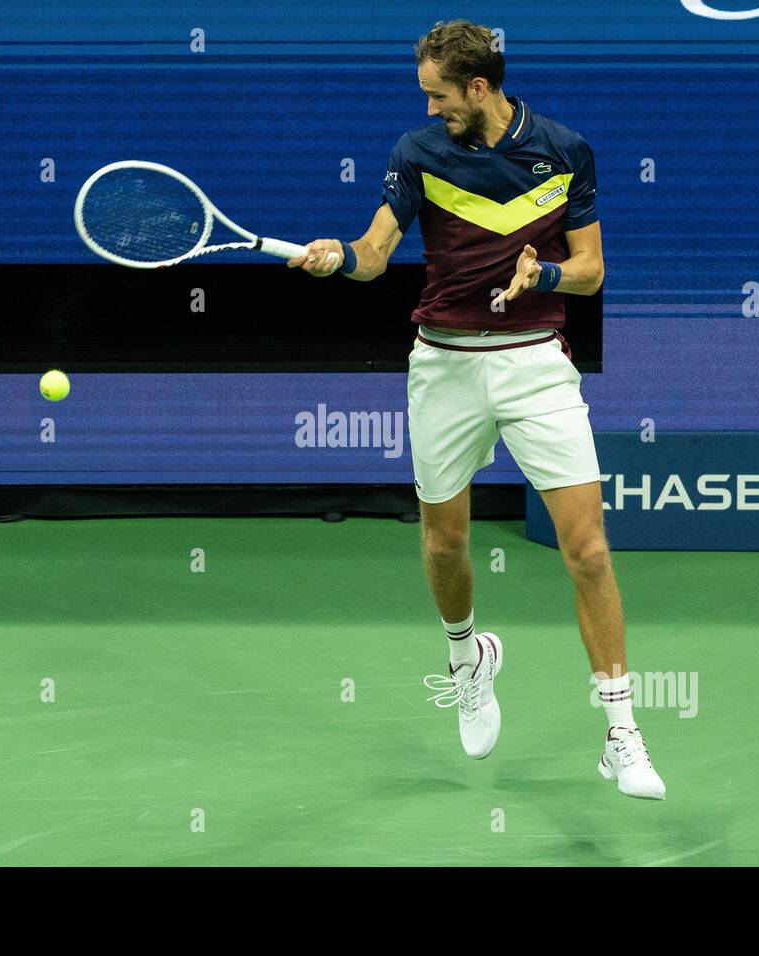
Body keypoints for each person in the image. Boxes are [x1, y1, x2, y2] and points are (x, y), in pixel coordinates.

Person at [288, 19, 665, 800]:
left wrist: (547, 277)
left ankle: (622, 731)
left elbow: (590, 270)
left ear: (480, 88)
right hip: (445, 366)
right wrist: (339, 259)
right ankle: (467, 659)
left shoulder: (565, 151)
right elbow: (375, 252)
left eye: (439, 95)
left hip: (534, 363)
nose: (430, 110)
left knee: (589, 549)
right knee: (443, 543)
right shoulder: (417, 154)